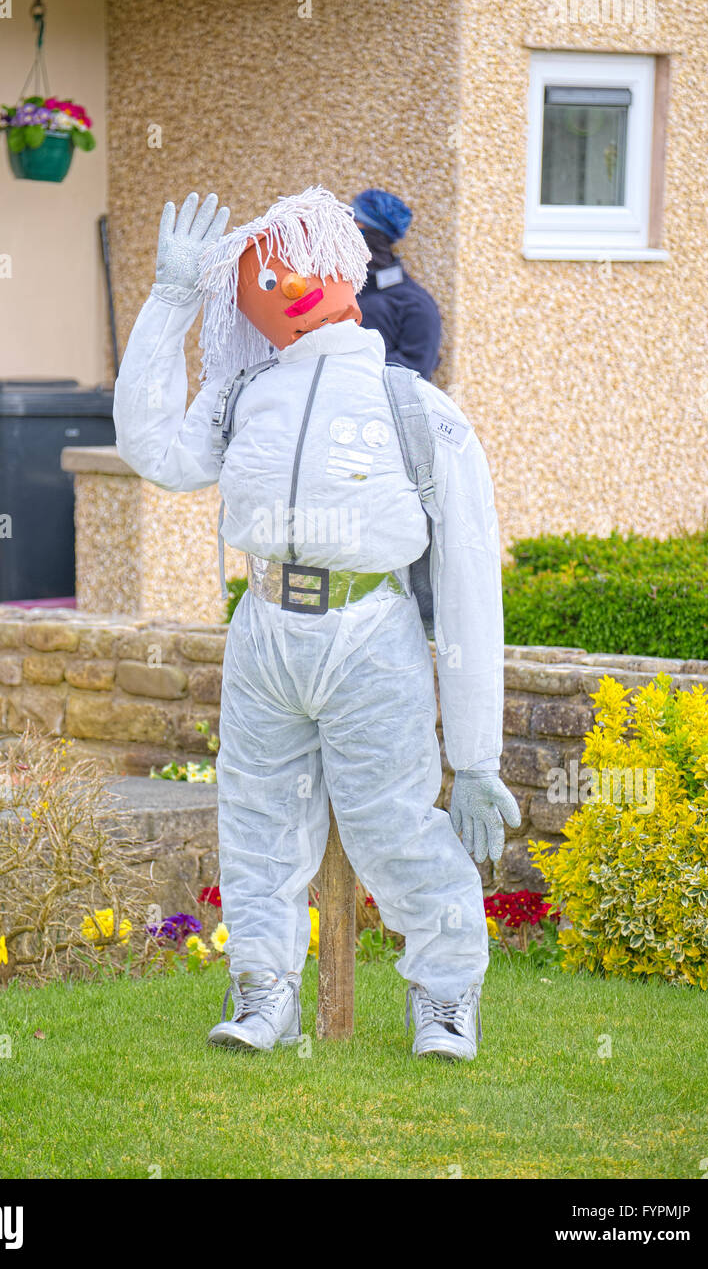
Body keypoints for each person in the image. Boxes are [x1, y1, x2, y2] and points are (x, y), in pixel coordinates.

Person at [113, 186, 519, 1062]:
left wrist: (477, 758)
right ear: (241, 300)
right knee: (255, 819)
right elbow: (152, 450)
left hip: (371, 631)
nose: (286, 282)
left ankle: (446, 997)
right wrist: (170, 302)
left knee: (397, 823)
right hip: (263, 629)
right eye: (263, 273)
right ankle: (264, 994)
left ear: (346, 264)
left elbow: (467, 588)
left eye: (303, 259)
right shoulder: (242, 394)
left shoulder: (417, 408)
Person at [351, 188, 442, 381]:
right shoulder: (340, 293)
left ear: (377, 234)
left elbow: (417, 371)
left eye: (355, 223)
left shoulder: (415, 305)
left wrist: (352, 363)